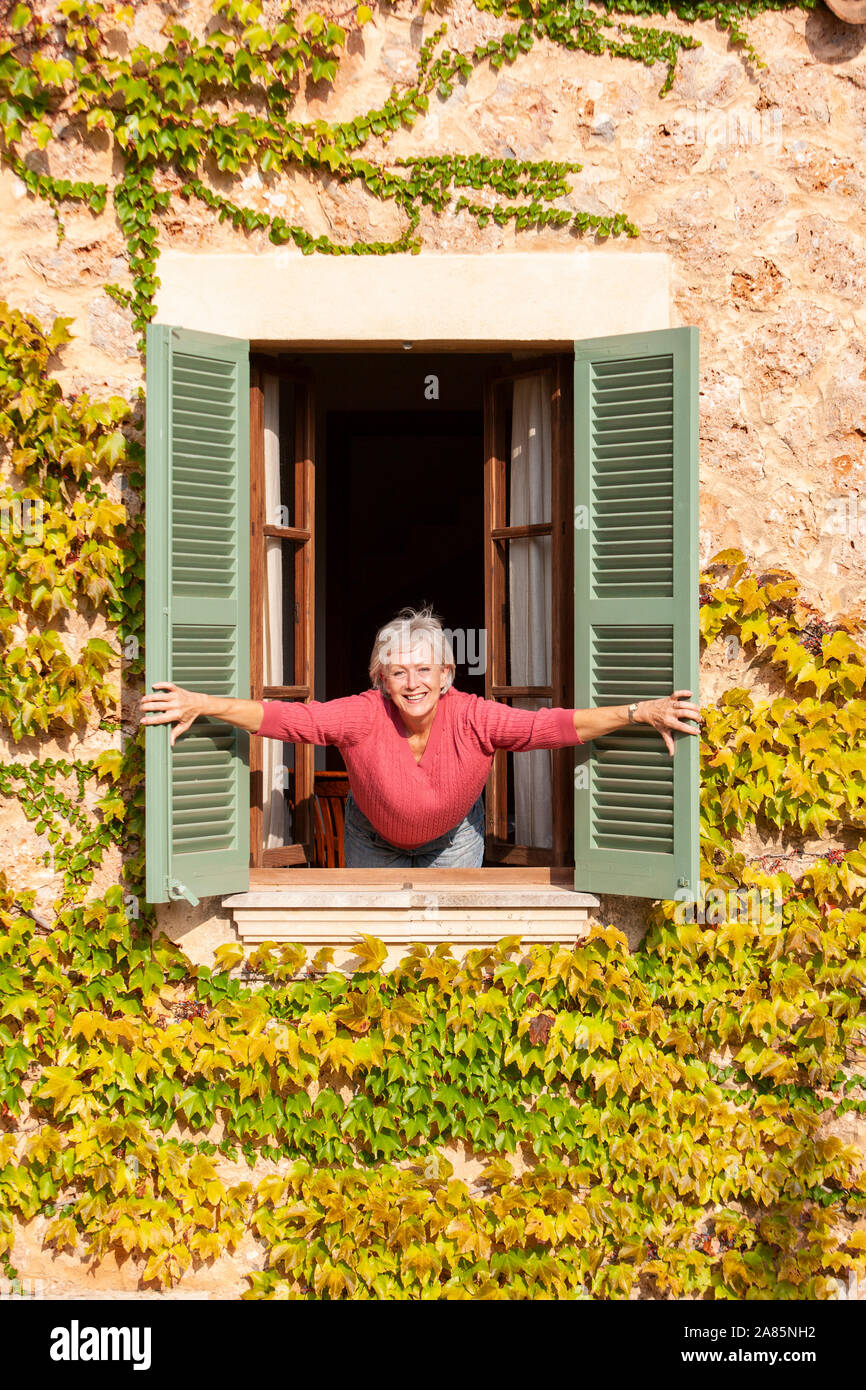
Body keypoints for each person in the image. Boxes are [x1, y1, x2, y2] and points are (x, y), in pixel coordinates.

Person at [139, 605, 702, 868]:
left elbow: (553, 727)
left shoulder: (475, 716)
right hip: (371, 843)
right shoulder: (362, 714)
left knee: (447, 964)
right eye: (399, 671)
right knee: (376, 962)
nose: (413, 684)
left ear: (447, 675)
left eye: (425, 670)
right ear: (381, 678)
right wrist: (202, 703)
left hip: (454, 843)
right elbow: (289, 720)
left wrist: (637, 711)